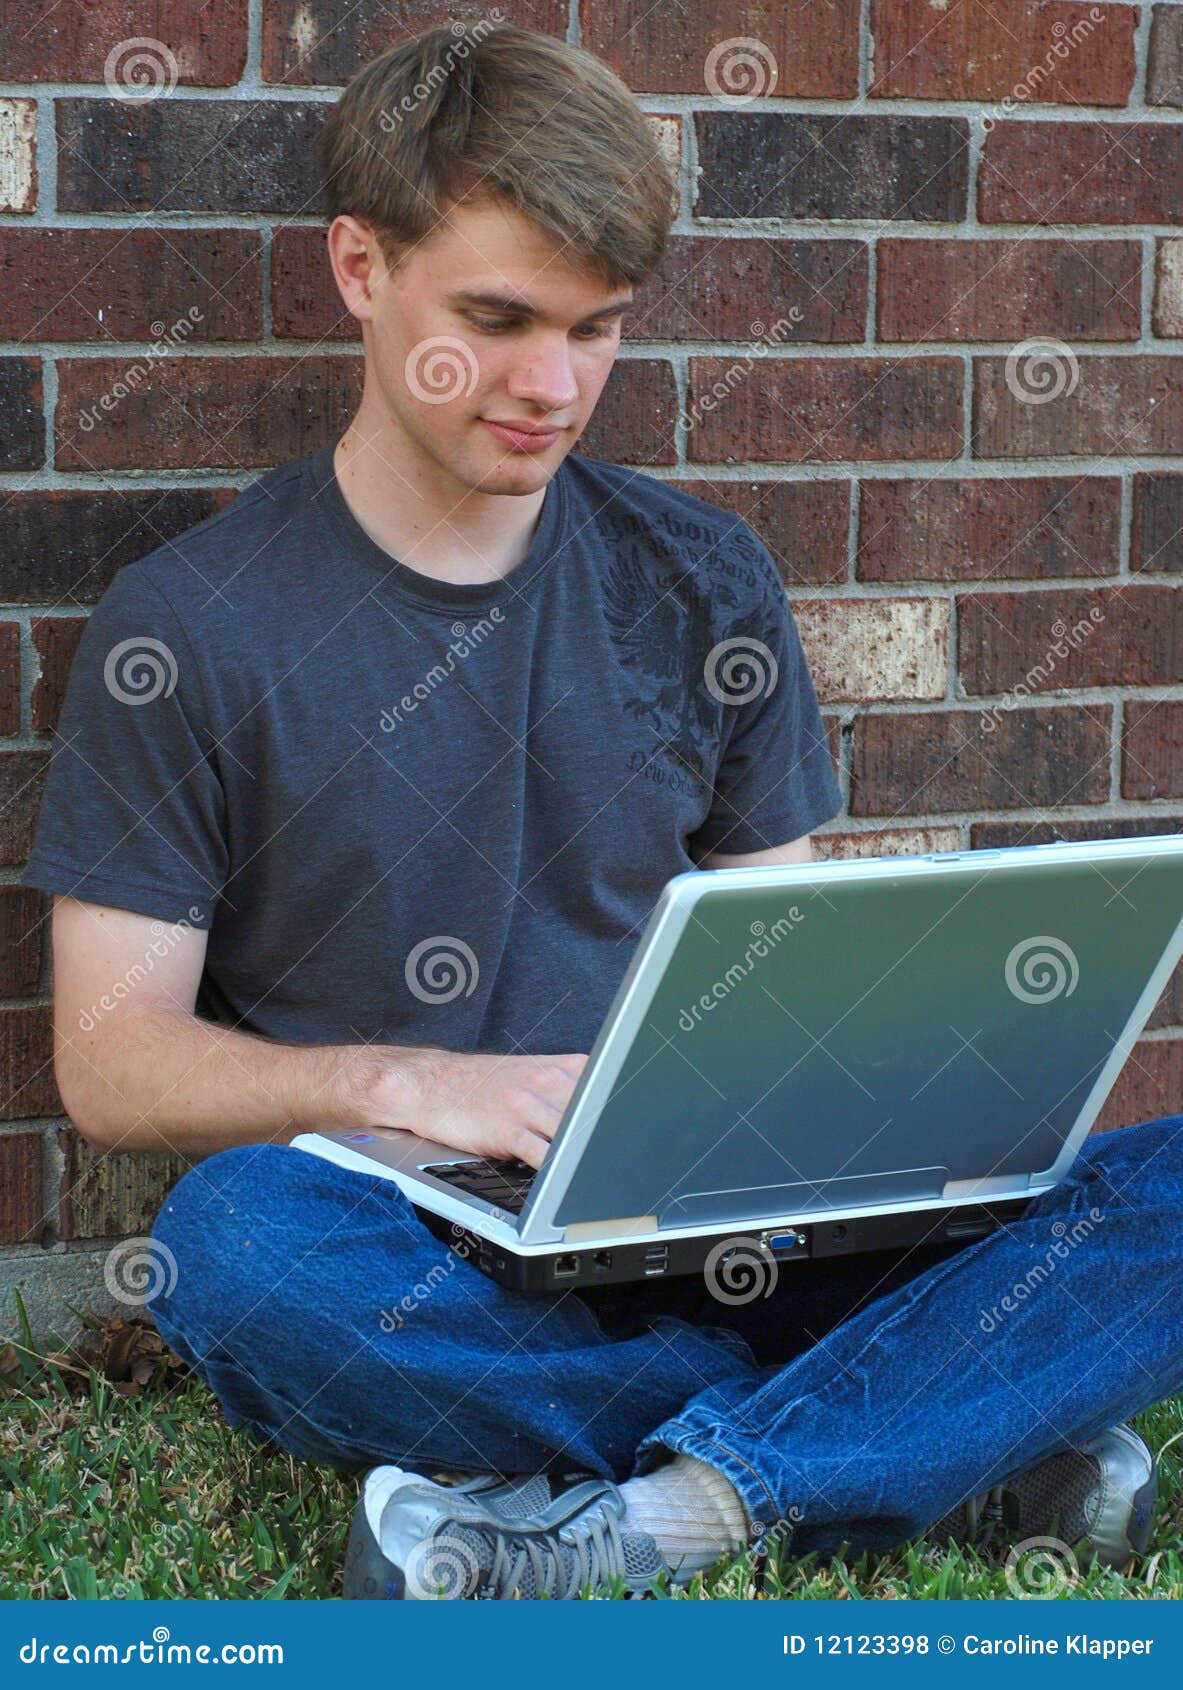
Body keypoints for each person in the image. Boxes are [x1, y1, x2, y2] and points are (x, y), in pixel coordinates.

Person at [23, 24, 1180, 1601]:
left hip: (726, 1224)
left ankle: (658, 1517)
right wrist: (414, 1082)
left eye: (596, 329)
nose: (551, 386)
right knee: (238, 1253)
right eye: (496, 321)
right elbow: (110, 1062)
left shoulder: (702, 581)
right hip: (428, 1248)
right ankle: (932, 1432)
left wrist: (882, 1109)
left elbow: (784, 970)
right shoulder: (194, 627)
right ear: (360, 268)